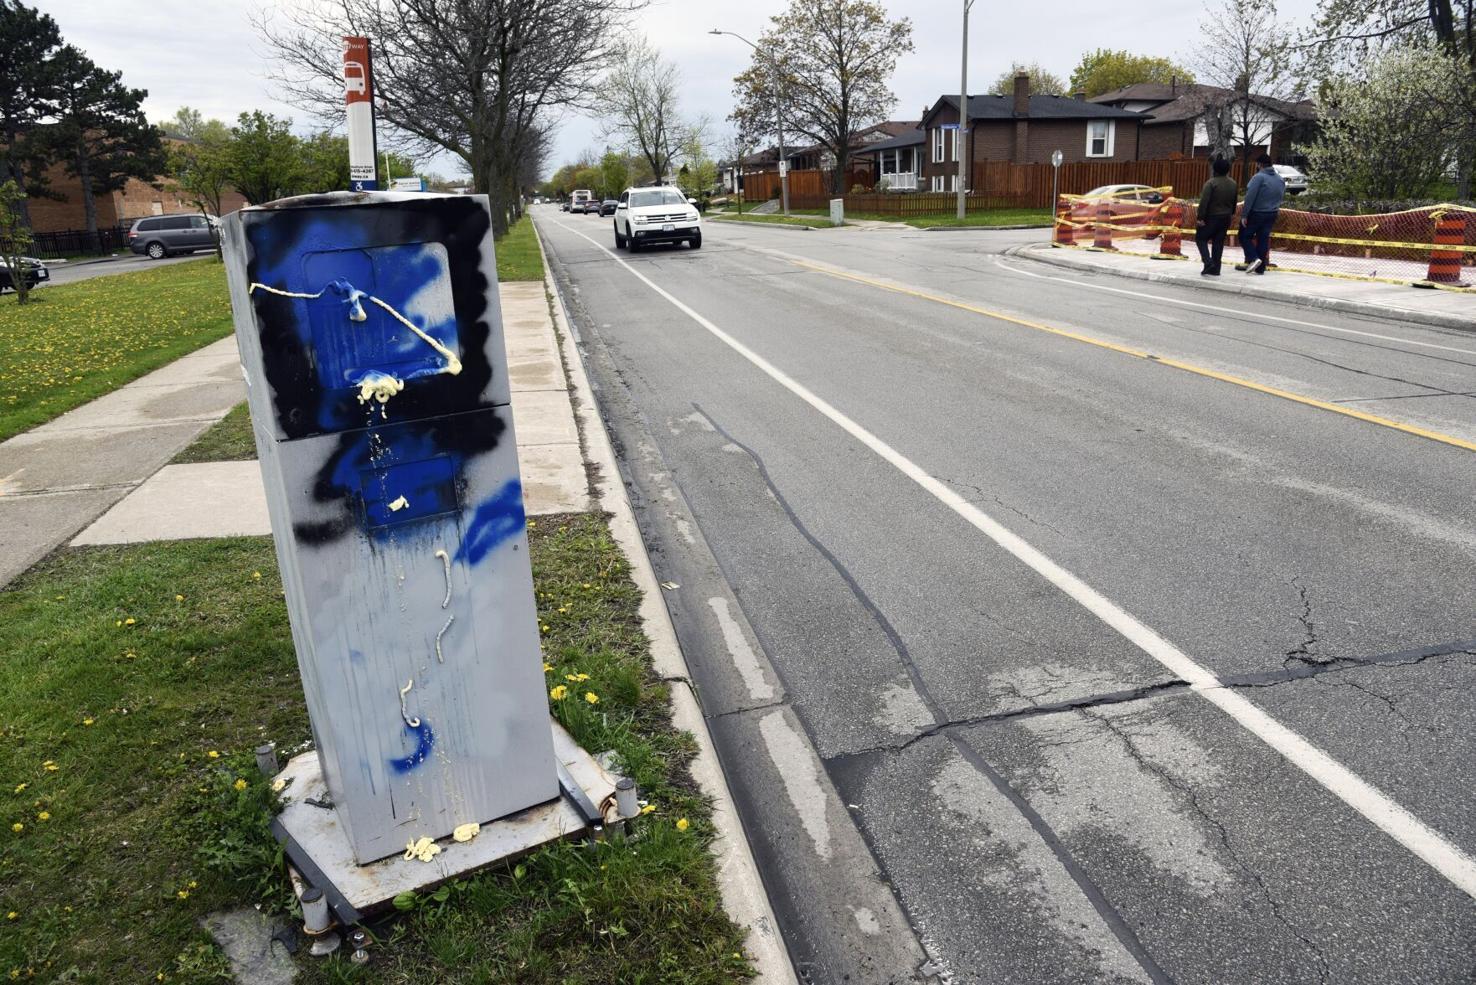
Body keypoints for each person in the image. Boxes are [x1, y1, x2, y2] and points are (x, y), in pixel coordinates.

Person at [1238, 152, 1285, 274]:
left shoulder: (1258, 177)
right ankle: (1260, 267)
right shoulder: (1280, 179)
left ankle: (1254, 259)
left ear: (1259, 165)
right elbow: (1280, 196)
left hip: (1257, 213)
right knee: (1263, 239)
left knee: (1244, 236)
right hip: (1272, 213)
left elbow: (1250, 197)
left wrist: (1244, 215)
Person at [1195, 157, 1237, 275]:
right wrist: (1231, 214)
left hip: (1211, 217)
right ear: (1228, 170)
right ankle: (1216, 269)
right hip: (1226, 217)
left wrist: (1200, 218)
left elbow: (1204, 202)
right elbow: (1234, 201)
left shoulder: (1211, 183)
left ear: (1215, 170)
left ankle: (1208, 262)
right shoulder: (1233, 183)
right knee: (1218, 243)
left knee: (1201, 238)